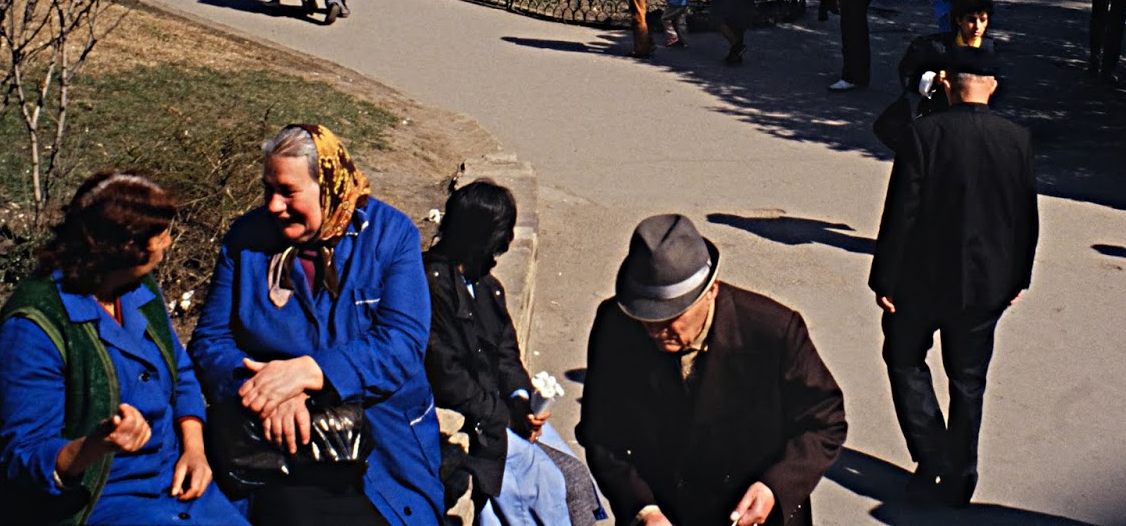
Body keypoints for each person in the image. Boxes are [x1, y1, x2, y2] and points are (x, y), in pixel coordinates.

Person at [189, 124, 444, 526]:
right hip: (272, 444)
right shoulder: (245, 240)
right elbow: (210, 341)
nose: (274, 205)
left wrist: (311, 373)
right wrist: (268, 390)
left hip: (379, 447)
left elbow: (402, 342)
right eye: (268, 189)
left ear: (326, 186)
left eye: (287, 192)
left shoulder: (390, 236)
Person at [0, 172, 247, 525]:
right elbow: (21, 459)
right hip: (96, 502)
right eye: (161, 235)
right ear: (127, 247)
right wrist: (96, 444)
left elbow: (181, 372)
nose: (168, 243)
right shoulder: (34, 328)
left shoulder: (139, 289)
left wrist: (195, 450)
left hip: (174, 484)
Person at [577, 214, 847, 526]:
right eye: (646, 318)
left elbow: (826, 422)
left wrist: (775, 486)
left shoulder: (773, 330)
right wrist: (644, 509)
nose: (656, 332)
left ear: (711, 291)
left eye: (671, 317)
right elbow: (601, 434)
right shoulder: (615, 325)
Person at [869, 46, 1038, 508]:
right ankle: (962, 475)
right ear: (993, 86)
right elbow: (1026, 216)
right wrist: (1018, 277)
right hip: (987, 284)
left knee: (905, 359)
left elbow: (901, 212)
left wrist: (884, 279)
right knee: (968, 380)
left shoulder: (924, 134)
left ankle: (932, 457)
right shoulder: (1017, 139)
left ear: (947, 83)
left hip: (920, 281)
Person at [424, 181, 604, 526]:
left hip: (501, 412)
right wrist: (505, 416)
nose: (495, 258)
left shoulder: (487, 287)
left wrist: (522, 402)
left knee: (576, 479)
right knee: (547, 484)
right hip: (476, 419)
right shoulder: (431, 287)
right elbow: (447, 375)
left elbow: (507, 353)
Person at [896, 0, 1001, 122]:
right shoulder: (934, 47)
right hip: (937, 117)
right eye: (971, 20)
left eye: (983, 20)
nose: (977, 26)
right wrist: (933, 80)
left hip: (976, 120)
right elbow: (908, 75)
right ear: (959, 20)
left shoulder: (991, 50)